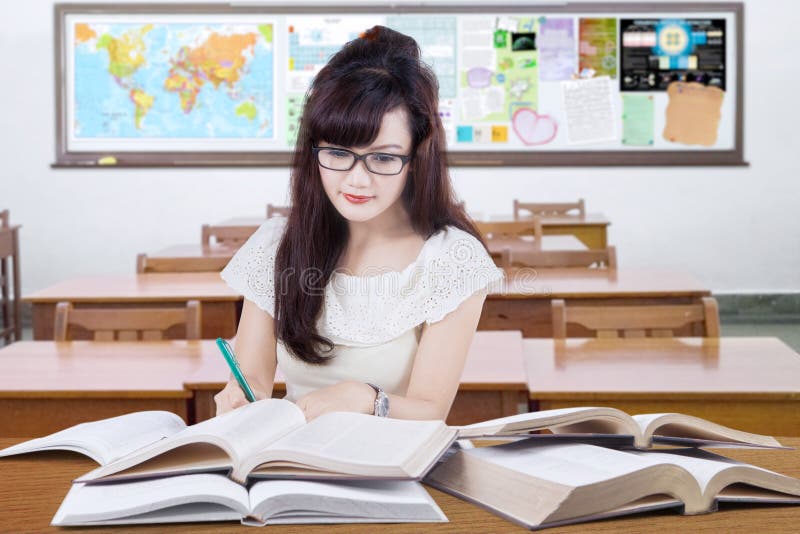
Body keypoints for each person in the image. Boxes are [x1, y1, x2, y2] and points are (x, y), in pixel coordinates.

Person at [215, 26, 503, 421]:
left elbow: (431, 411)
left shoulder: (452, 258)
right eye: (337, 153)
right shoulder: (275, 245)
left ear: (416, 158)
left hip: (390, 469)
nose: (357, 180)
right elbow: (252, 383)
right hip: (287, 461)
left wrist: (367, 399)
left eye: (383, 158)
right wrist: (236, 397)